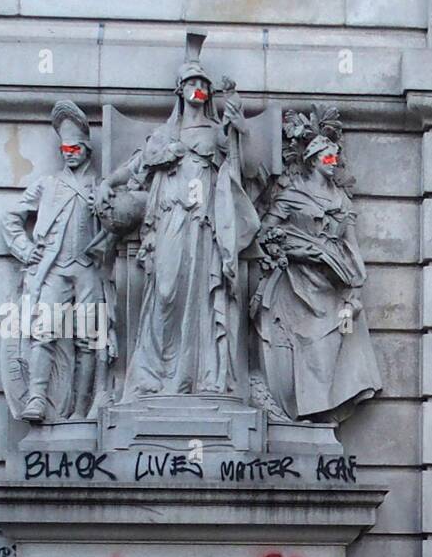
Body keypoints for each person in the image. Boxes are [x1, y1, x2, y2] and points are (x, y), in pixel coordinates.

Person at [96, 44, 259, 400]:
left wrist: (239, 130)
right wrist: (107, 183)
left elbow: (245, 172)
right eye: (190, 82)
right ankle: (153, 373)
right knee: (165, 293)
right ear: (180, 90)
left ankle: (197, 376)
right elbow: (134, 167)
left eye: (202, 83)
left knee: (200, 299)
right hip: (170, 221)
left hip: (203, 229)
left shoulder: (217, 135)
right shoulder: (163, 136)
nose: (197, 88)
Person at [249, 107, 382, 423]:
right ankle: (301, 411)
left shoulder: (341, 200)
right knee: (306, 348)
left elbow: (351, 245)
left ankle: (323, 410)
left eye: (335, 157)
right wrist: (303, 249)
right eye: (326, 156)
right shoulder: (292, 196)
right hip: (297, 285)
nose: (332, 161)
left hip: (332, 286)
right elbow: (265, 233)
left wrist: (355, 282)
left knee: (332, 350)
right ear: (311, 159)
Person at [1, 100, 108, 423]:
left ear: (87, 149)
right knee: (44, 333)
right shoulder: (47, 186)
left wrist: (102, 210)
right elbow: (11, 217)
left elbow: (116, 229)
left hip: (87, 269)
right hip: (54, 270)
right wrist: (24, 247)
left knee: (88, 340)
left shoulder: (100, 188)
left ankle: (81, 407)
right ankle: (36, 397)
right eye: (64, 148)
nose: (68, 153)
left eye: (75, 147)